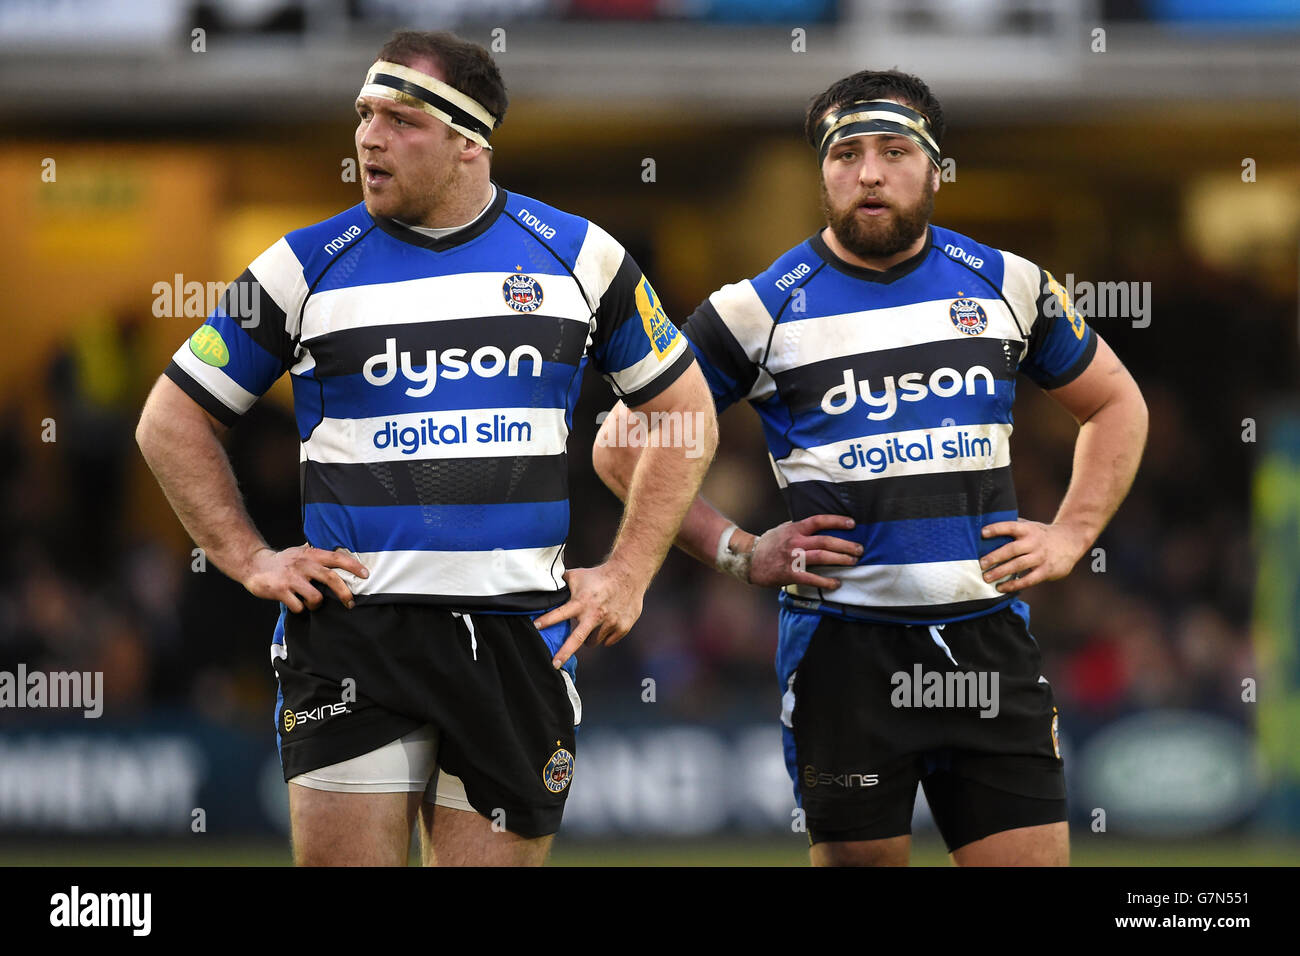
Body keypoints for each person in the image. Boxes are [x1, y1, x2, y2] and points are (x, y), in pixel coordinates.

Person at [136, 29, 717, 866]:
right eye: (364, 114)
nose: (370, 137)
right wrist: (248, 557)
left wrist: (628, 573)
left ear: (469, 142)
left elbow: (684, 413)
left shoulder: (582, 258)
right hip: (354, 636)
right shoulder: (302, 267)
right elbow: (170, 419)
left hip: (520, 635)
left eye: (401, 119)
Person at [593, 69, 1147, 866]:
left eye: (894, 150)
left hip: (987, 646)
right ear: (823, 171)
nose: (870, 173)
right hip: (844, 655)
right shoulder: (756, 309)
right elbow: (618, 443)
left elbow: (1116, 404)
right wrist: (740, 551)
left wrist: (1072, 533)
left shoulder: (1010, 284)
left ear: (933, 165)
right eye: (846, 154)